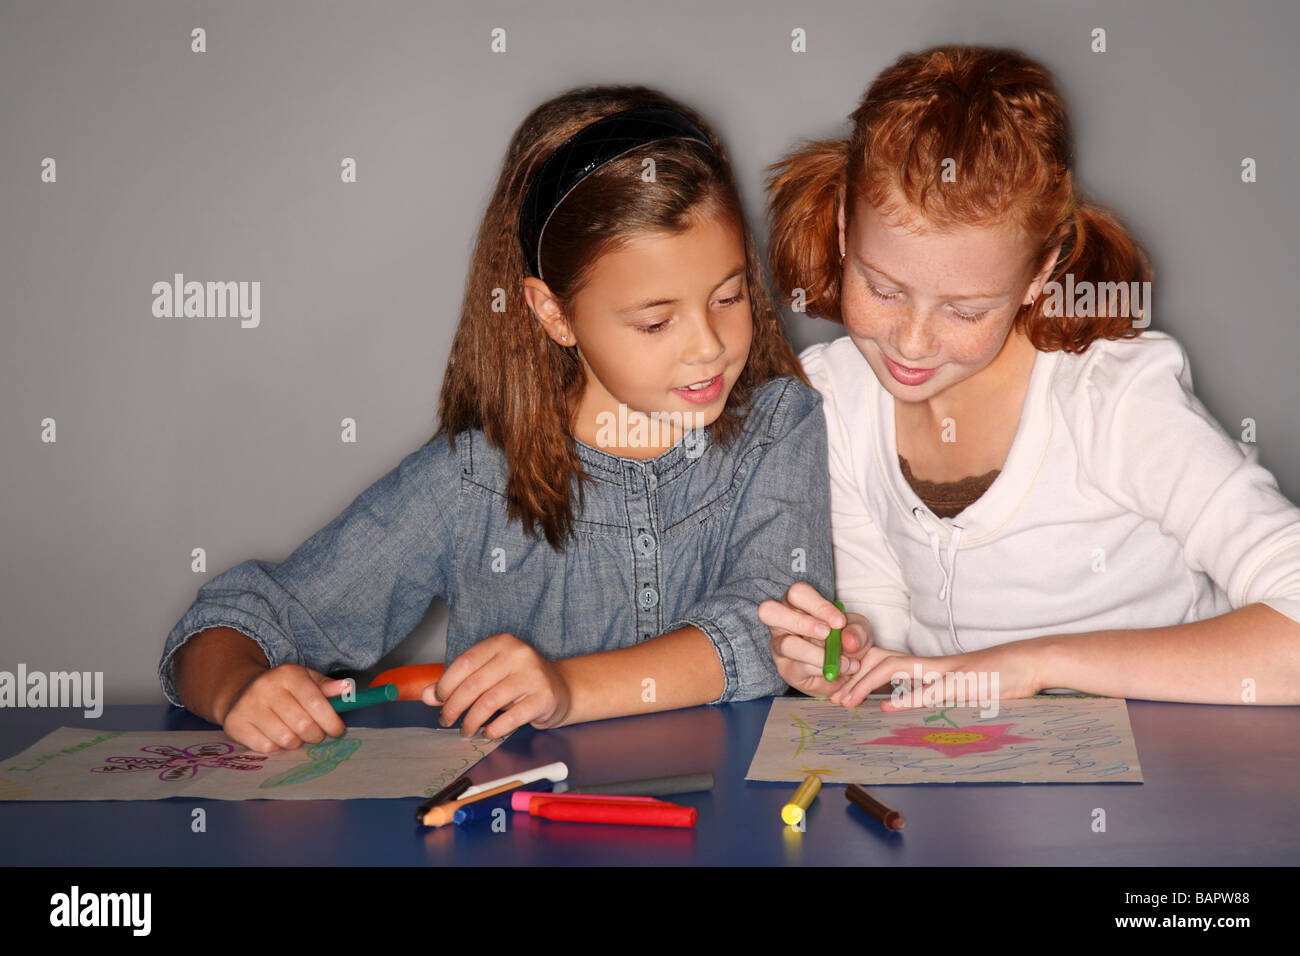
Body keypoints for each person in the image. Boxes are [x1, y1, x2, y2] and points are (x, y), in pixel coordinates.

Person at [159, 85, 832, 752]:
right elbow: (232, 622)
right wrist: (240, 688)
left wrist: (566, 688)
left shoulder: (779, 427)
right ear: (553, 314)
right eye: (657, 321)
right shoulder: (472, 478)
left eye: (729, 294)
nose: (709, 345)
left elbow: (774, 629)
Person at [758, 45, 1300, 708]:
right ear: (845, 227)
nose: (912, 341)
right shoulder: (835, 397)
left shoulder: (1113, 399)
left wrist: (1031, 664)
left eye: (965, 310)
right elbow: (887, 617)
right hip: (967, 785)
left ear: (1041, 274)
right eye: (883, 288)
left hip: (1166, 778)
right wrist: (848, 654)